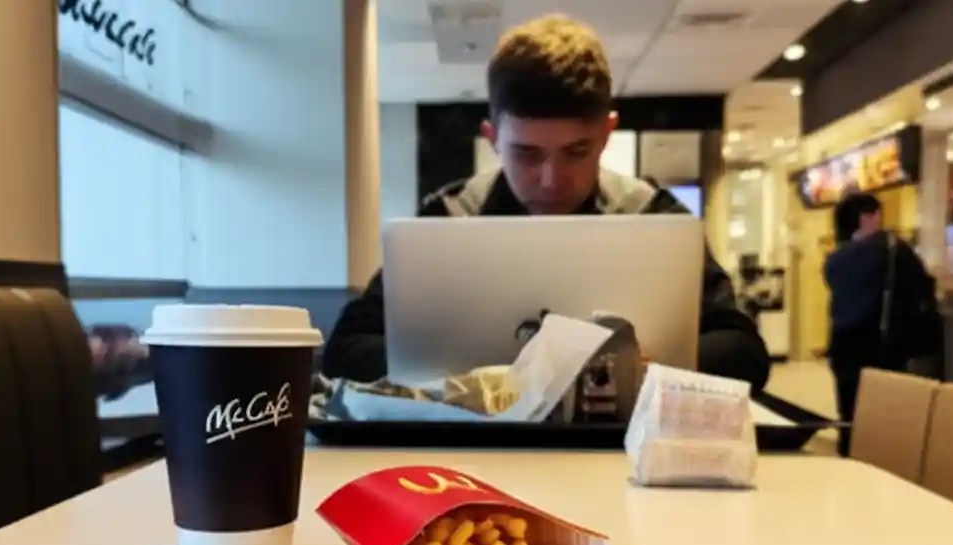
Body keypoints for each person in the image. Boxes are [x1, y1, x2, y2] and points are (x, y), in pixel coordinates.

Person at [323, 14, 770, 393]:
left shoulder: (653, 215)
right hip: (475, 454)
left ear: (607, 134)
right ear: (493, 138)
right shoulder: (450, 217)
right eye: (527, 154)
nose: (551, 179)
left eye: (576, 152)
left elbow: (745, 354)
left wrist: (639, 369)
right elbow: (344, 351)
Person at [825, 192, 940, 455]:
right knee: (884, 418)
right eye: (877, 215)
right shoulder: (891, 249)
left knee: (849, 415)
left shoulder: (834, 260)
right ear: (866, 218)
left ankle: (849, 459)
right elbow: (922, 288)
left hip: (842, 347)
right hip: (881, 346)